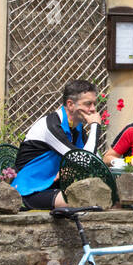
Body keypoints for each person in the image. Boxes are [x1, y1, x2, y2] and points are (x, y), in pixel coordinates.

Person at [13, 79, 103, 210]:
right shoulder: (51, 126)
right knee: (89, 200)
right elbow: (84, 160)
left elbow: (95, 161)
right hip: (29, 190)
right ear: (70, 104)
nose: (93, 109)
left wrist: (70, 168)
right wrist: (95, 126)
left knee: (108, 197)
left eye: (94, 104)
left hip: (53, 186)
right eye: (88, 104)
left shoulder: (77, 129)